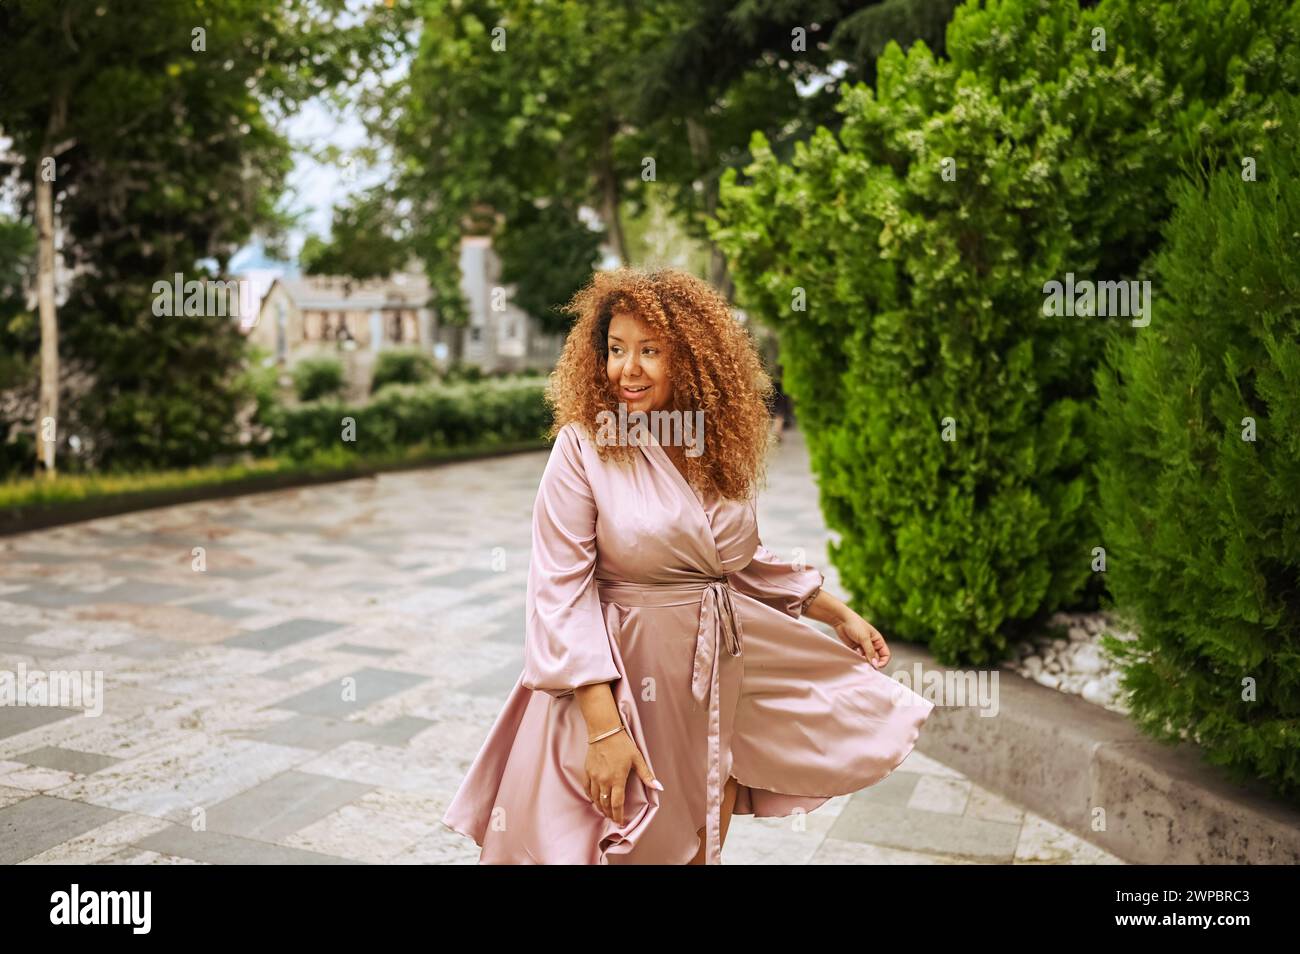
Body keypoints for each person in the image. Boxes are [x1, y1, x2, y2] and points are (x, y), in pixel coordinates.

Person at [441, 266, 934, 865]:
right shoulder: (583, 446)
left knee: (703, 829)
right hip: (617, 675)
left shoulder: (714, 447)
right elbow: (559, 592)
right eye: (616, 349)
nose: (628, 369)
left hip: (712, 671)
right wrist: (603, 728)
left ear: (694, 358)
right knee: (614, 839)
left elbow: (731, 561)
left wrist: (835, 613)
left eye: (650, 350)